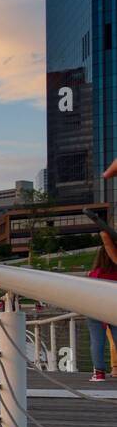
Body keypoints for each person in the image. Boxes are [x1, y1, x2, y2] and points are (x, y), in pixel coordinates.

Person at [89, 162, 117, 380]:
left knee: (96, 336)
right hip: (112, 297)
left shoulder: (97, 272)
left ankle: (99, 373)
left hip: (95, 296)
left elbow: (106, 239)